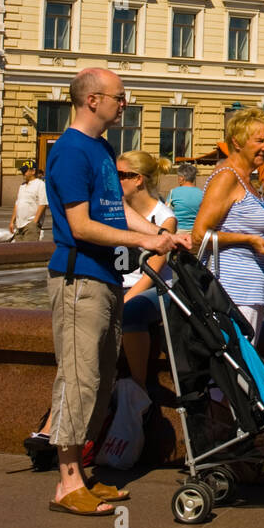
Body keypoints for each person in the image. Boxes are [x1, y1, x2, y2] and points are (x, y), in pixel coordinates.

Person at [43, 68, 182, 516]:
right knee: (78, 379)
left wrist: (161, 232)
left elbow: (115, 209)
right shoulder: (68, 152)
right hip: (77, 279)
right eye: (120, 97)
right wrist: (146, 242)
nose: (125, 104)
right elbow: (81, 225)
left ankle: (82, 475)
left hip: (103, 280)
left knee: (99, 379)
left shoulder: (102, 149)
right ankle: (66, 483)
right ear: (92, 100)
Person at [191, 108, 264, 346]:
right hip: (233, 292)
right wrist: (248, 240)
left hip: (247, 291)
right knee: (234, 368)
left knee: (238, 368)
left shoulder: (246, 180)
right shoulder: (227, 177)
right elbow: (199, 235)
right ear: (237, 142)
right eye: (259, 141)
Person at [117, 152, 177, 389]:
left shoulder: (165, 218)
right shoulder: (116, 212)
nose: (115, 180)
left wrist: (122, 302)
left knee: (130, 313)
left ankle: (137, 386)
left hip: (156, 289)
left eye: (120, 175)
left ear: (138, 179)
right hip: (120, 285)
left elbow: (152, 273)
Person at [10, 162, 47, 241]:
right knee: (18, 251)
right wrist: (12, 221)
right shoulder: (22, 186)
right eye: (22, 171)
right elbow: (17, 204)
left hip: (31, 225)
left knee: (29, 251)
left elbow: (43, 204)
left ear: (33, 171)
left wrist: (34, 222)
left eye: (25, 171)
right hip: (19, 225)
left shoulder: (40, 184)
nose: (23, 173)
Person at [168, 163, 204, 232]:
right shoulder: (202, 193)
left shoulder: (174, 192)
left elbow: (166, 210)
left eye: (178, 176)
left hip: (177, 231)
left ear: (182, 178)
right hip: (195, 231)